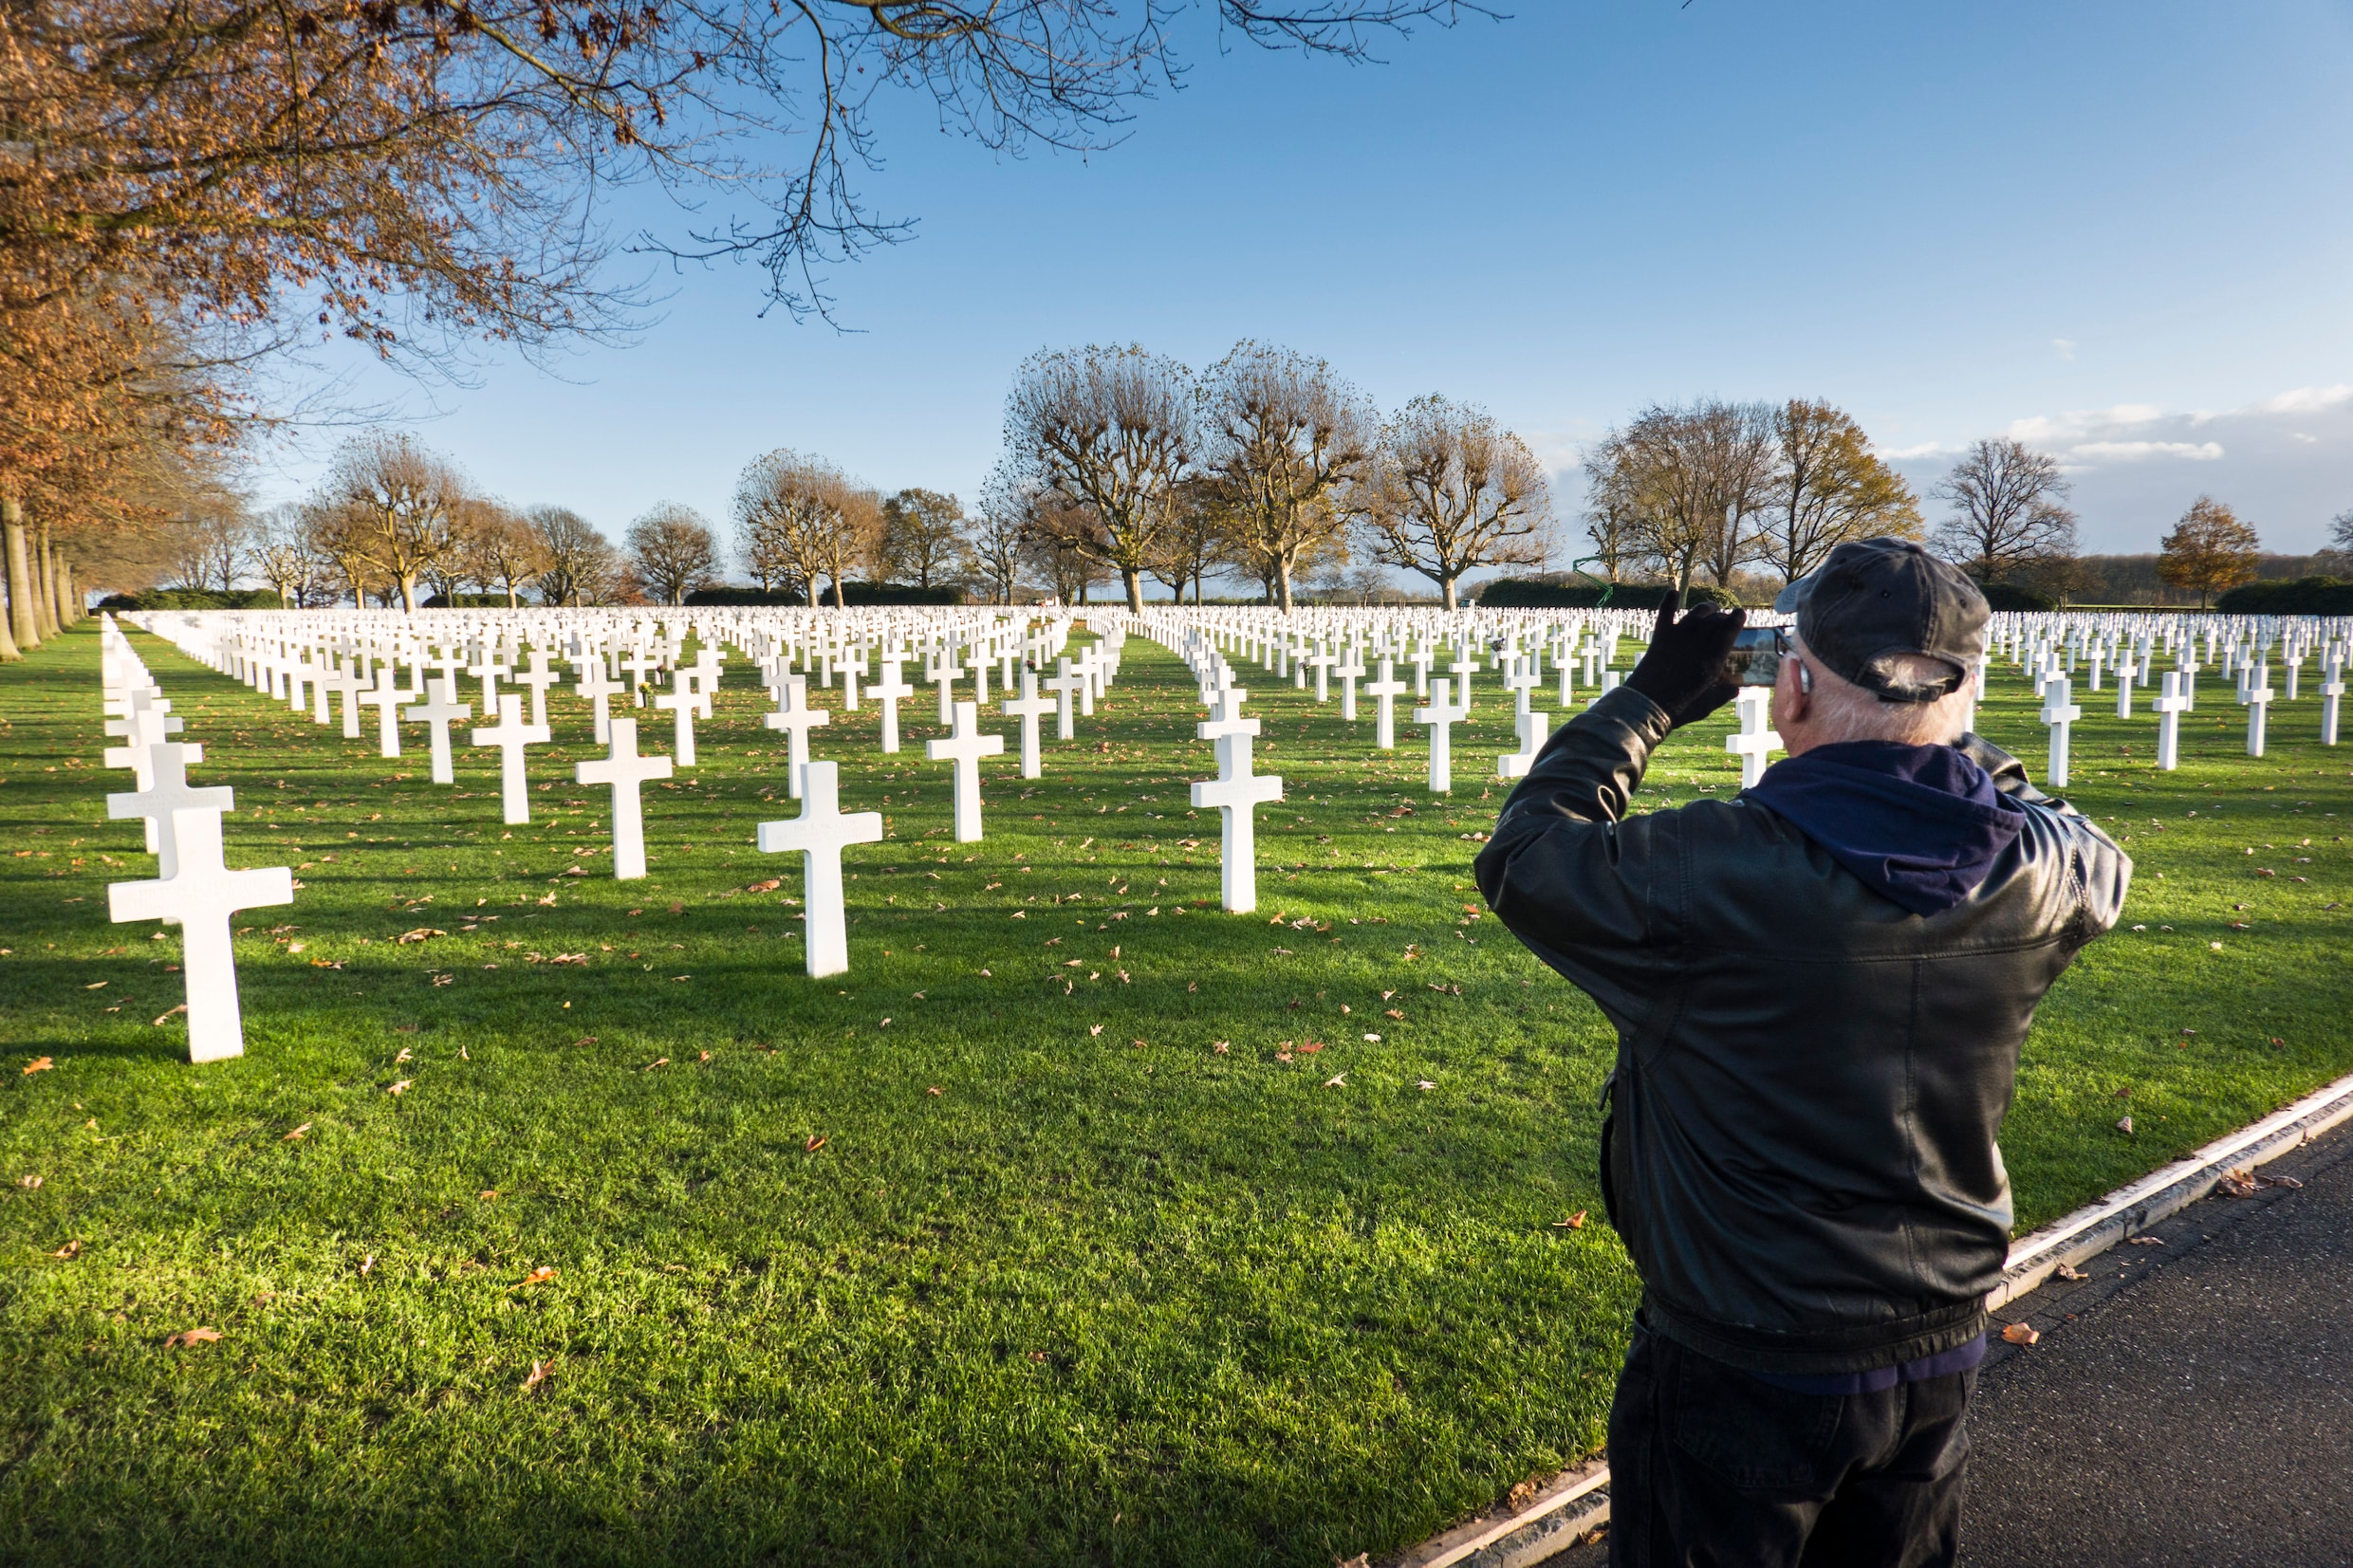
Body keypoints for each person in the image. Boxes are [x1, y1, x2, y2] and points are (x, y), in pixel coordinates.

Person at [1473, 539, 2130, 1568]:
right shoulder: (2046, 866)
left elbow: (1524, 855)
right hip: (1936, 1340)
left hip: (1742, 1350)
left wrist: (1645, 700)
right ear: (1961, 694)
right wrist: (1939, 730)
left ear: (1788, 686)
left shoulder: (1704, 868)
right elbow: (2077, 833)